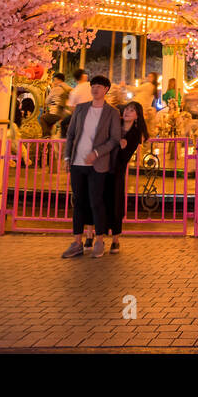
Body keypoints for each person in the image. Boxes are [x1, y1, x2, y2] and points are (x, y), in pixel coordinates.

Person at [60, 75, 122, 259]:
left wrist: (96, 153)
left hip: (97, 164)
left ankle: (100, 240)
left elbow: (114, 139)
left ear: (106, 90)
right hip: (77, 162)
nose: (95, 89)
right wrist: (67, 156)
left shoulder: (111, 113)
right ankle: (77, 241)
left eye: (99, 86)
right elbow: (70, 134)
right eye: (93, 86)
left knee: (96, 201)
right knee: (78, 202)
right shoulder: (80, 109)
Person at [106, 101, 150, 251]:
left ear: (137, 116)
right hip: (103, 166)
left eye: (131, 111)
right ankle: (94, 234)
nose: (127, 112)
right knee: (99, 201)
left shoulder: (135, 133)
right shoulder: (115, 124)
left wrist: (118, 145)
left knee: (116, 203)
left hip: (117, 170)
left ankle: (115, 239)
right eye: (126, 109)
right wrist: (117, 143)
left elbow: (125, 155)